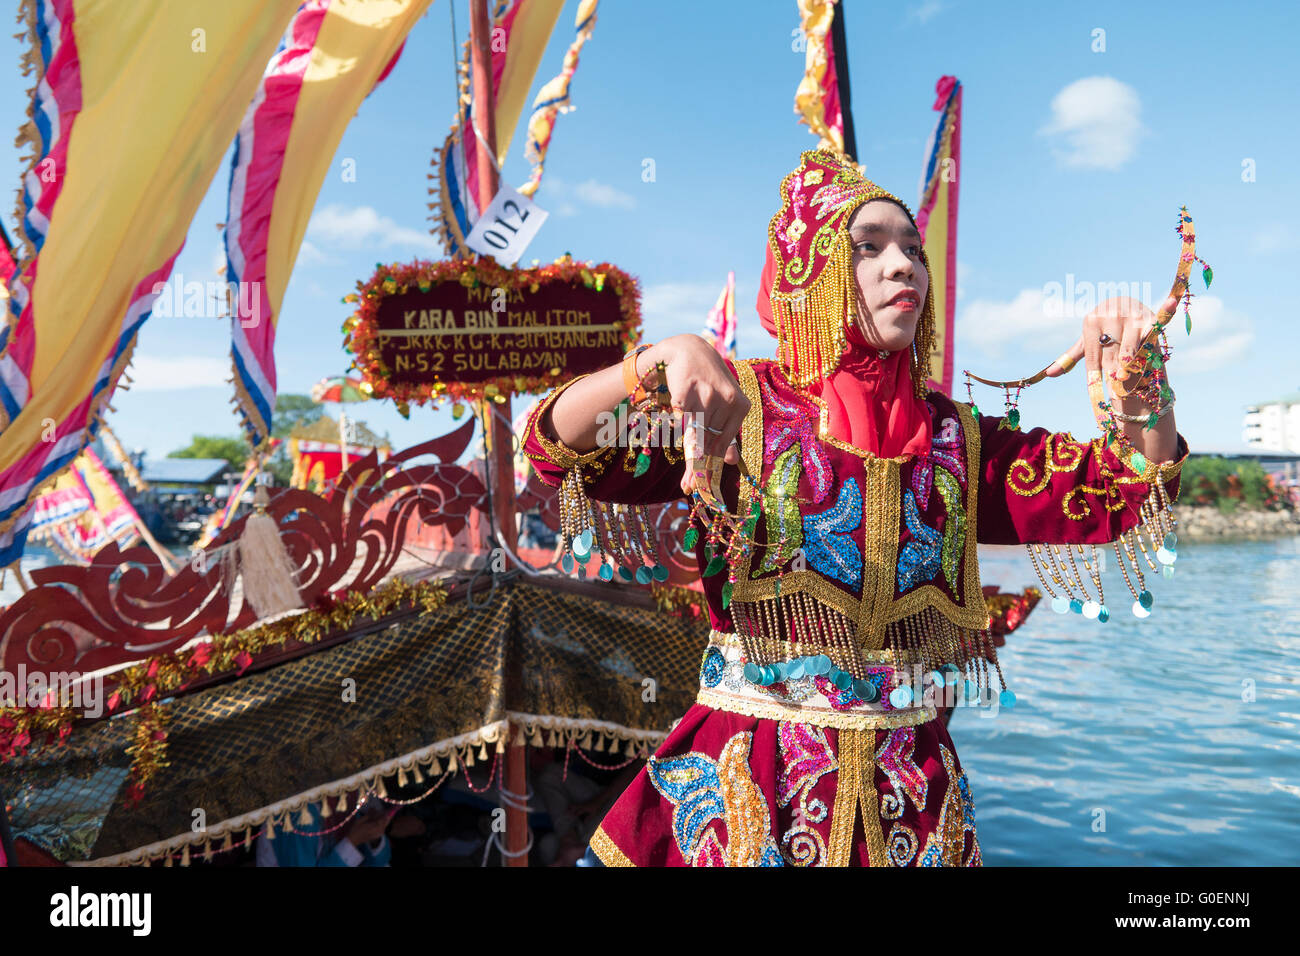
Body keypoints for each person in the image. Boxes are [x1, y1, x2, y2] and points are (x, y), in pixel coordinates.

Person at [522, 149, 1187, 867]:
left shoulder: (959, 442)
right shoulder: (737, 411)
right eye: (868, 248)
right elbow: (557, 448)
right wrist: (650, 363)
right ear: (810, 274)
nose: (903, 265)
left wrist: (1141, 377)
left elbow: (1127, 489)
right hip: (749, 792)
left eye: (911, 250)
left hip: (912, 802)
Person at [255, 792, 394, 867]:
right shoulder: (299, 813)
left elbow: (380, 862)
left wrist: (374, 838)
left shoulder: (347, 802)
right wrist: (352, 842)